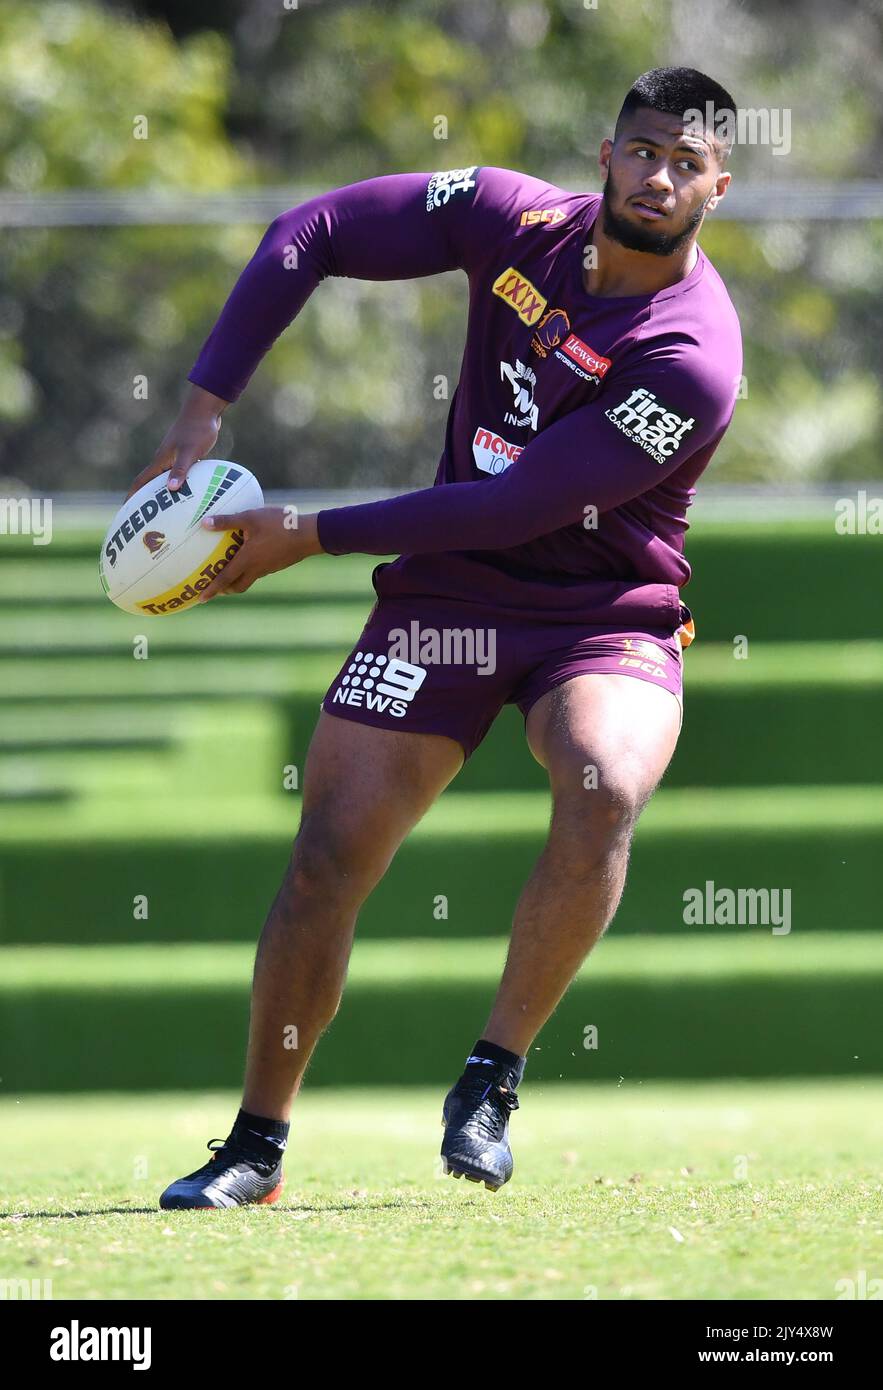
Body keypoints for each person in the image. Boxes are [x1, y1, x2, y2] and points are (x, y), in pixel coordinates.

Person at [137, 66, 742, 1209]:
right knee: (325, 858)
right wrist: (205, 404)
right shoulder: (509, 217)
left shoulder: (691, 353)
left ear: (720, 184)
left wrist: (303, 533)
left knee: (605, 779)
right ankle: (254, 1146)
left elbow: (521, 506)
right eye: (642, 150)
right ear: (605, 155)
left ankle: (491, 1074)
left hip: (601, 614)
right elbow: (308, 229)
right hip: (449, 601)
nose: (658, 175)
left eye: (685, 161)